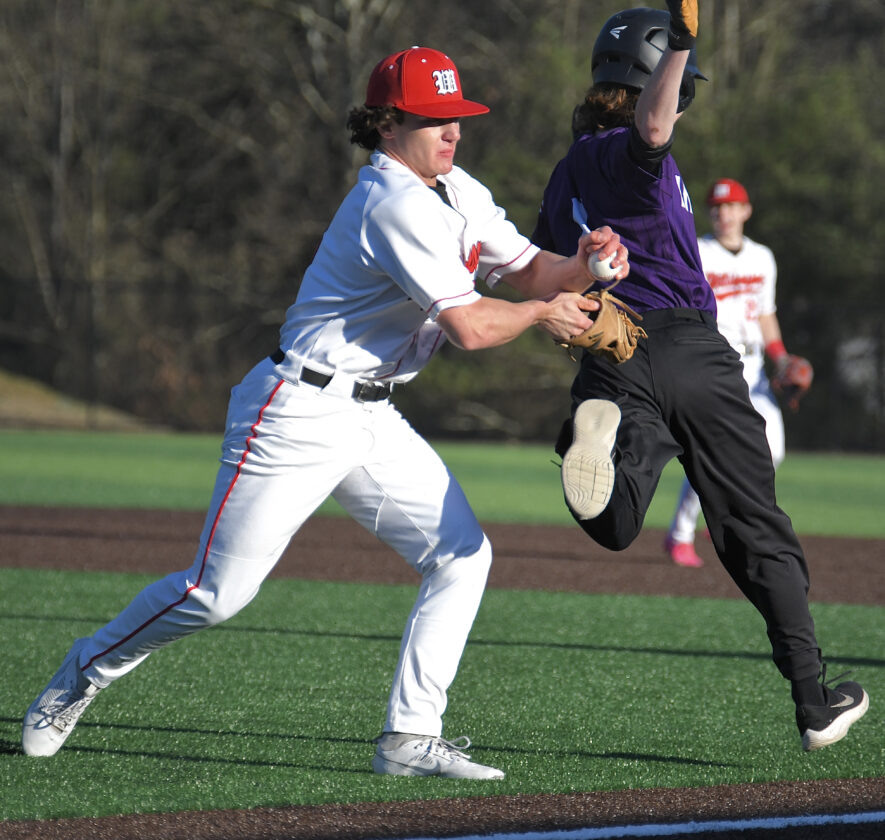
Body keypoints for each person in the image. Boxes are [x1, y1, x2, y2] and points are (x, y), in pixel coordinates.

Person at [21, 46, 627, 780]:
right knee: (216, 595)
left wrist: (586, 264)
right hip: (296, 410)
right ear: (387, 124)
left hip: (372, 413)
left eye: (457, 117)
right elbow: (470, 327)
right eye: (433, 119)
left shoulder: (455, 187)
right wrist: (542, 312)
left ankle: (408, 740)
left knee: (462, 556)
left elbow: (531, 268)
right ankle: (84, 671)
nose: (452, 131)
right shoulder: (391, 202)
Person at [531, 3, 868, 751]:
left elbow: (541, 274)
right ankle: (813, 699)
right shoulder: (623, 148)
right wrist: (681, 43)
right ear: (656, 77)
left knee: (617, 523)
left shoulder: (563, 176)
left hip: (612, 353)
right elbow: (651, 130)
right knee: (755, 528)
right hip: (689, 348)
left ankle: (590, 437)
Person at [664, 177, 803, 568]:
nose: (723, 213)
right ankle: (680, 534)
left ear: (746, 211)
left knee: (772, 451)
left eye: (731, 206)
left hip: (754, 366)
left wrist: (781, 359)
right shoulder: (698, 251)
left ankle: (721, 511)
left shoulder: (763, 257)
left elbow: (765, 314)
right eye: (716, 207)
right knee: (713, 452)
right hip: (712, 361)